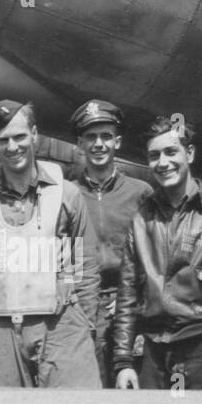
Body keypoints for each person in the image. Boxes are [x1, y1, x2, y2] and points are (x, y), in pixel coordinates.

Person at [0, 99, 101, 388]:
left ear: (34, 134)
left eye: (20, 137)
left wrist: (85, 323)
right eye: (3, 140)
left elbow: (84, 264)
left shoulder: (67, 194)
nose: (13, 147)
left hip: (61, 323)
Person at [113, 116, 202, 391]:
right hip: (155, 355)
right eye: (154, 156)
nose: (163, 162)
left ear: (189, 154)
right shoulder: (141, 218)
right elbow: (127, 295)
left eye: (171, 152)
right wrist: (123, 361)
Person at [68, 99, 152, 387]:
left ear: (117, 141)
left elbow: (156, 255)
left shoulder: (141, 193)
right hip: (83, 306)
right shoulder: (68, 195)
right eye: (91, 137)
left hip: (128, 305)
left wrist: (136, 298)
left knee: (133, 389)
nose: (99, 144)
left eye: (106, 136)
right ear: (80, 143)